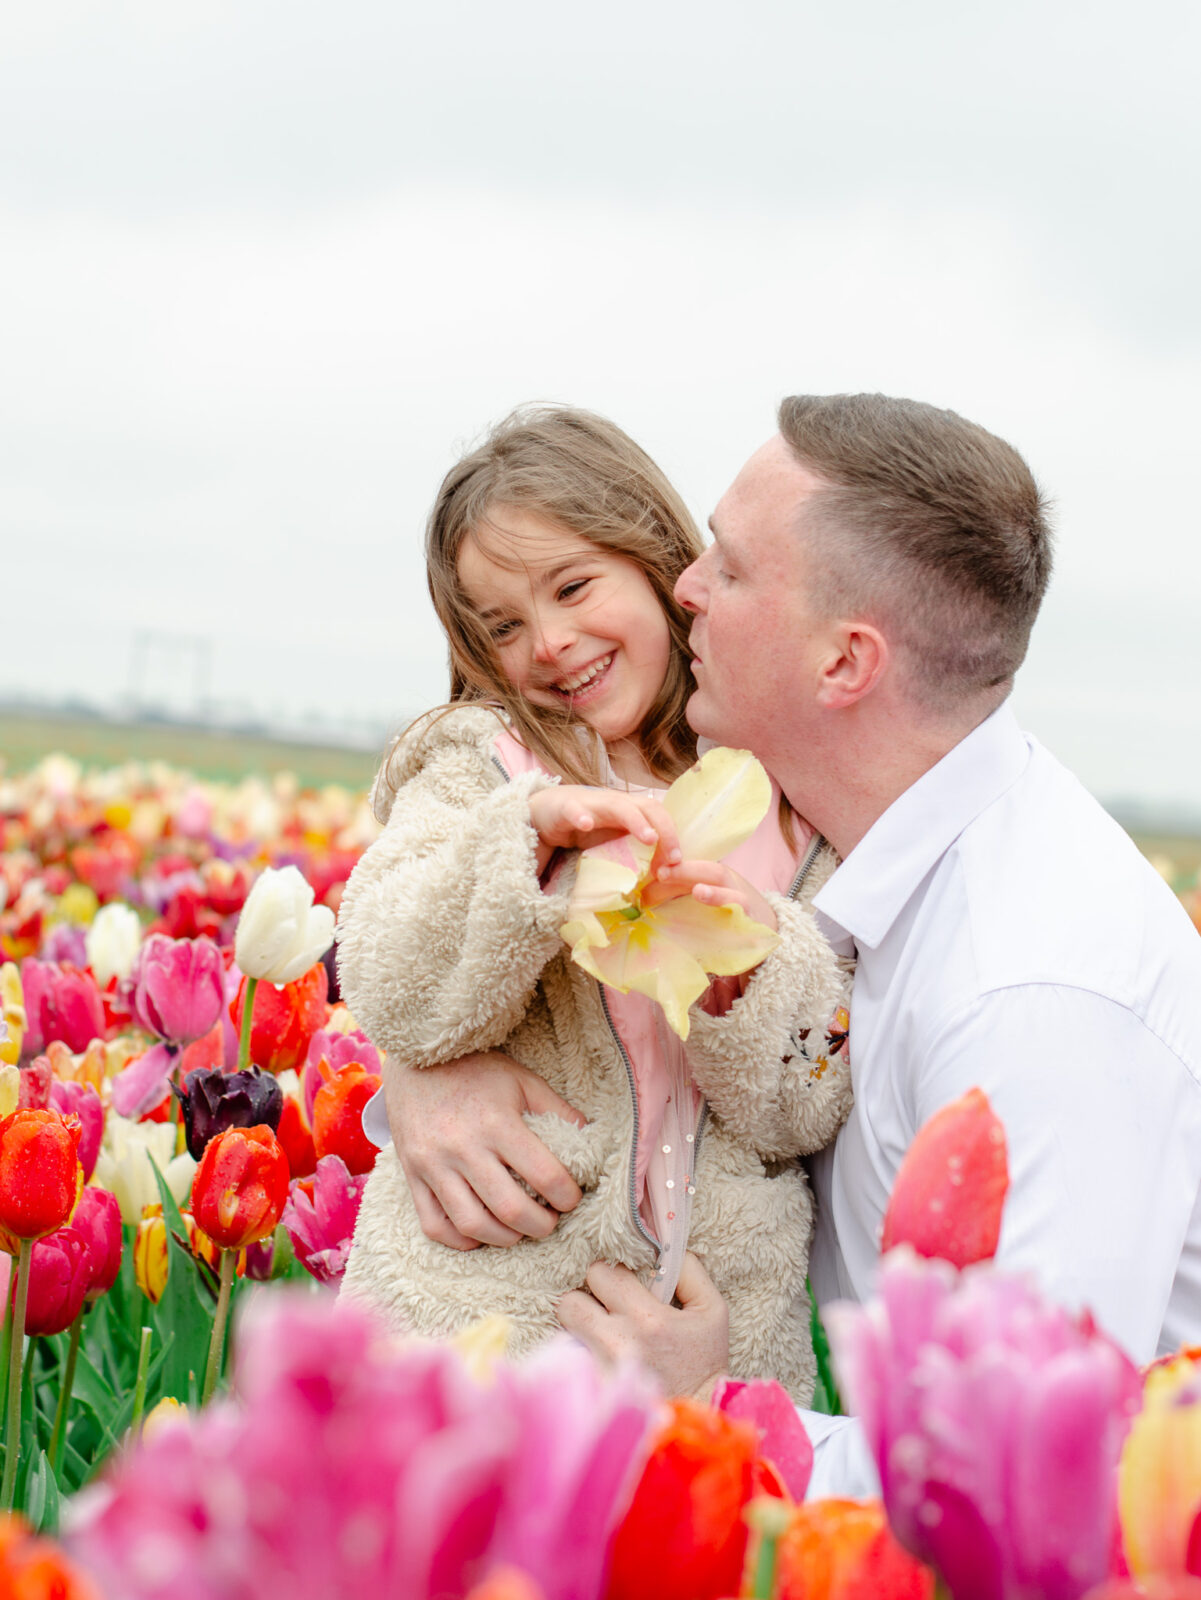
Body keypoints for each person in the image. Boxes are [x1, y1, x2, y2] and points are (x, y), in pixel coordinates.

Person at [383, 392, 1201, 1494]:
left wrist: (711, 1419)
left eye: (727, 563)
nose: (681, 582)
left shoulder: (1034, 996)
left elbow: (1035, 1483)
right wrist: (419, 1068)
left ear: (843, 664)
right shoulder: (835, 846)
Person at [335, 405, 853, 1402]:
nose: (553, 643)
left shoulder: (785, 804)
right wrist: (527, 846)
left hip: (716, 1325)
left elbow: (802, 1102)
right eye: (505, 626)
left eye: (574, 587)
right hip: (478, 1294)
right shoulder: (477, 769)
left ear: (661, 561)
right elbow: (392, 976)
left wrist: (743, 968)